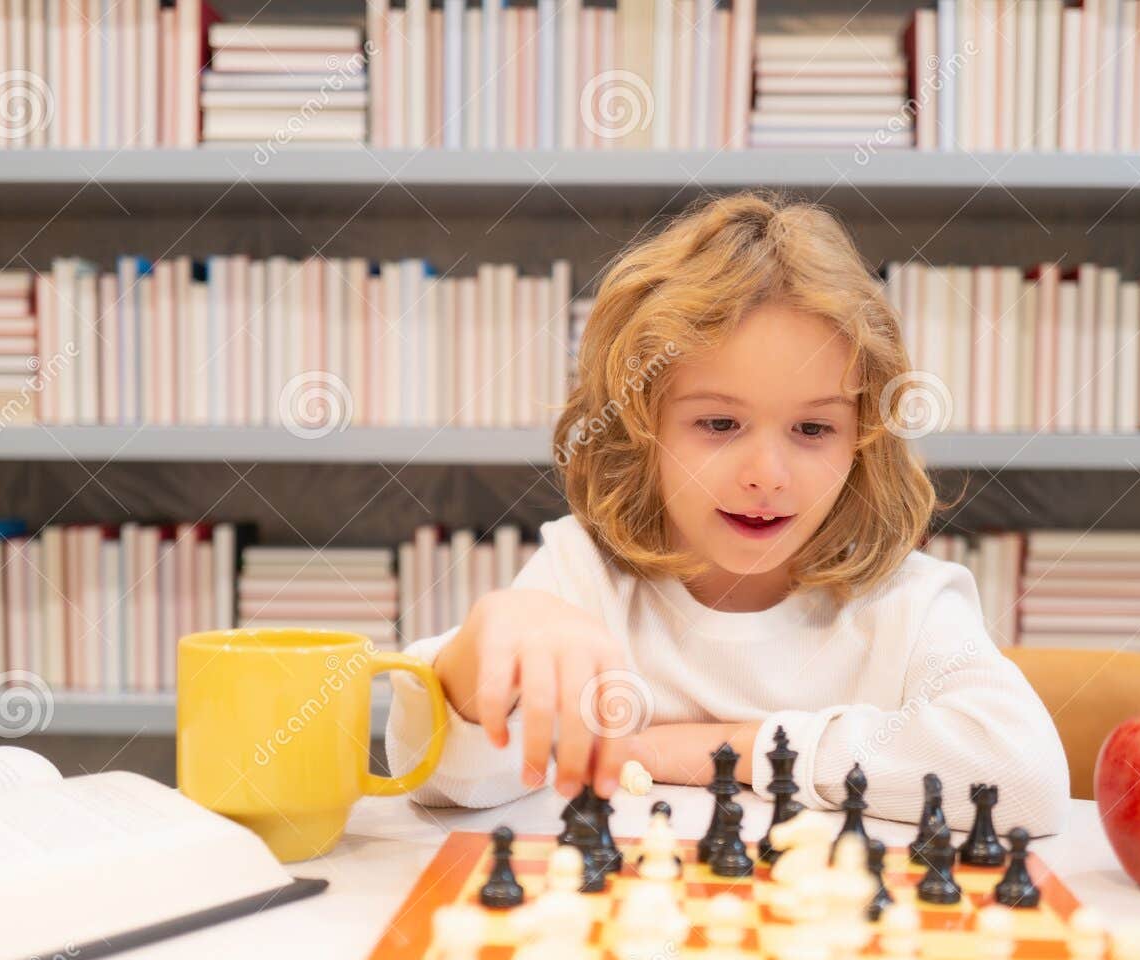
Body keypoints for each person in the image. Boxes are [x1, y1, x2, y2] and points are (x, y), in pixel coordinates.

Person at [384, 190, 1070, 834]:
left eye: (813, 430)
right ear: (639, 428)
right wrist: (477, 654)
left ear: (864, 442)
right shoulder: (585, 578)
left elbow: (1026, 777)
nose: (766, 477)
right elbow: (439, 779)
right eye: (718, 424)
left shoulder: (904, 602)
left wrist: (719, 749)